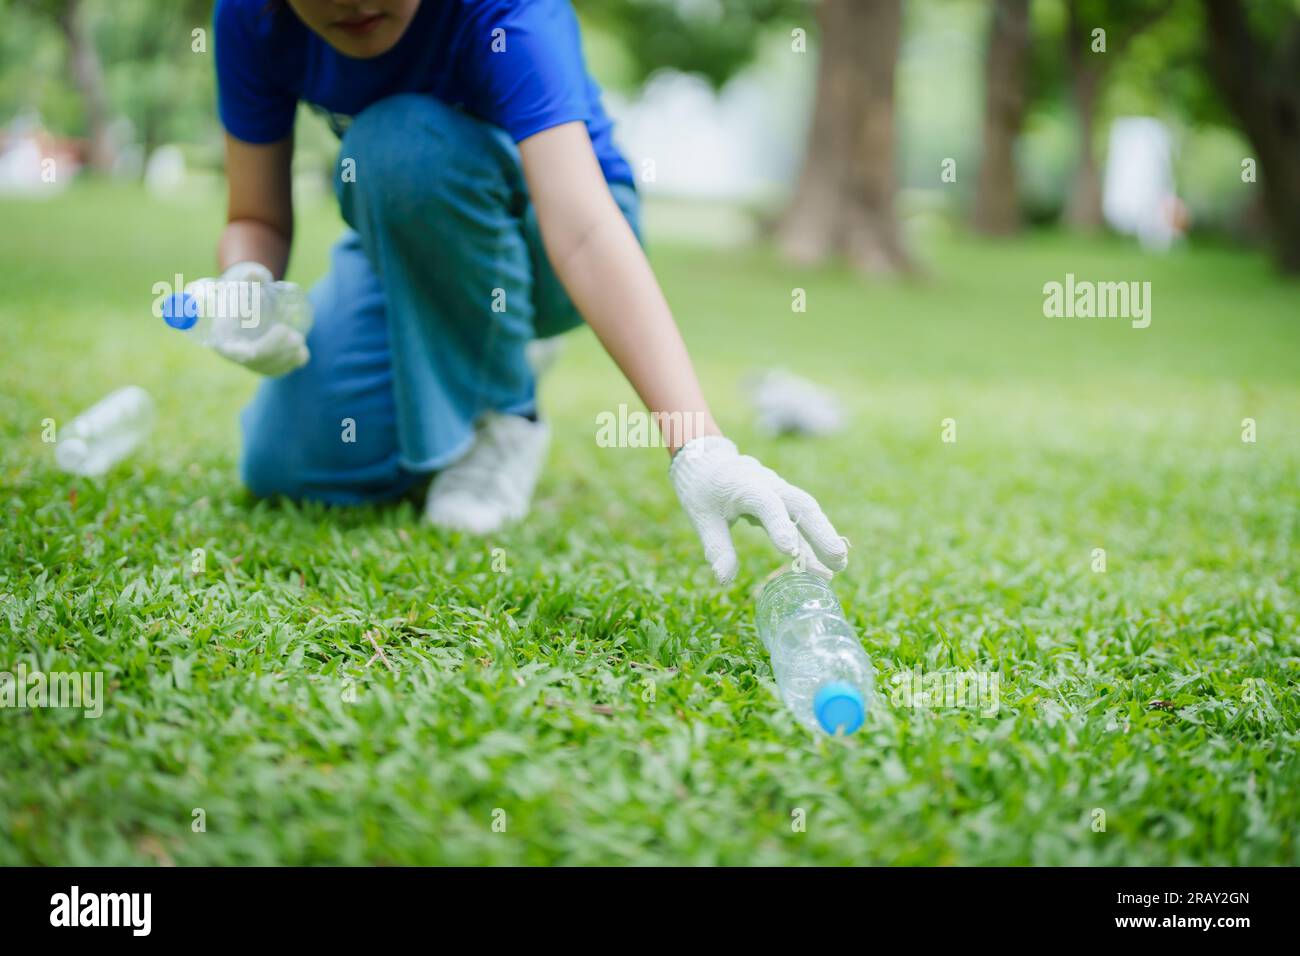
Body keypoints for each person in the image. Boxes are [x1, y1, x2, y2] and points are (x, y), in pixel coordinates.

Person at [197, 0, 848, 584]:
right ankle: (465, 368)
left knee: (395, 144)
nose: (356, 2)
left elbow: (585, 231)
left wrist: (697, 445)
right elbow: (256, 218)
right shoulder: (250, 18)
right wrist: (244, 284)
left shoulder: (512, 10)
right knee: (285, 465)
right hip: (410, 241)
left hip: (557, 241)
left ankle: (505, 406)